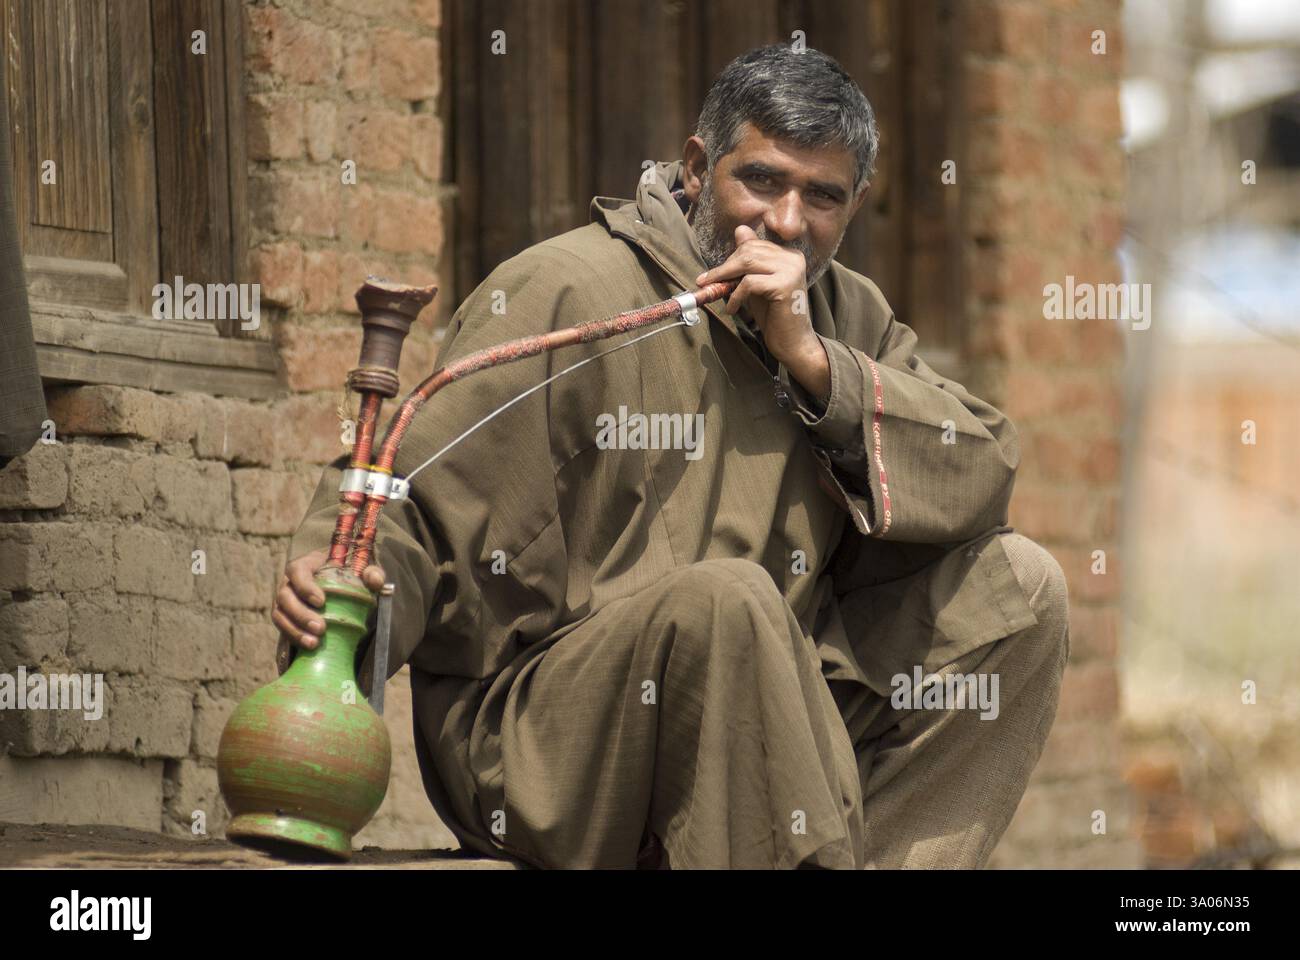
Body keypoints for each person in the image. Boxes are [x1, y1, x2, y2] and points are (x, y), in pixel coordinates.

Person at [273, 44, 1069, 869]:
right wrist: (330, 582)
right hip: (554, 747)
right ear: (696, 167)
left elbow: (980, 463)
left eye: (822, 197)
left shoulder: (843, 312)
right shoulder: (571, 290)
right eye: (760, 180)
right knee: (728, 601)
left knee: (1024, 591)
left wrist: (817, 365)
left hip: (768, 729)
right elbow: (406, 485)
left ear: (857, 203)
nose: (787, 222)